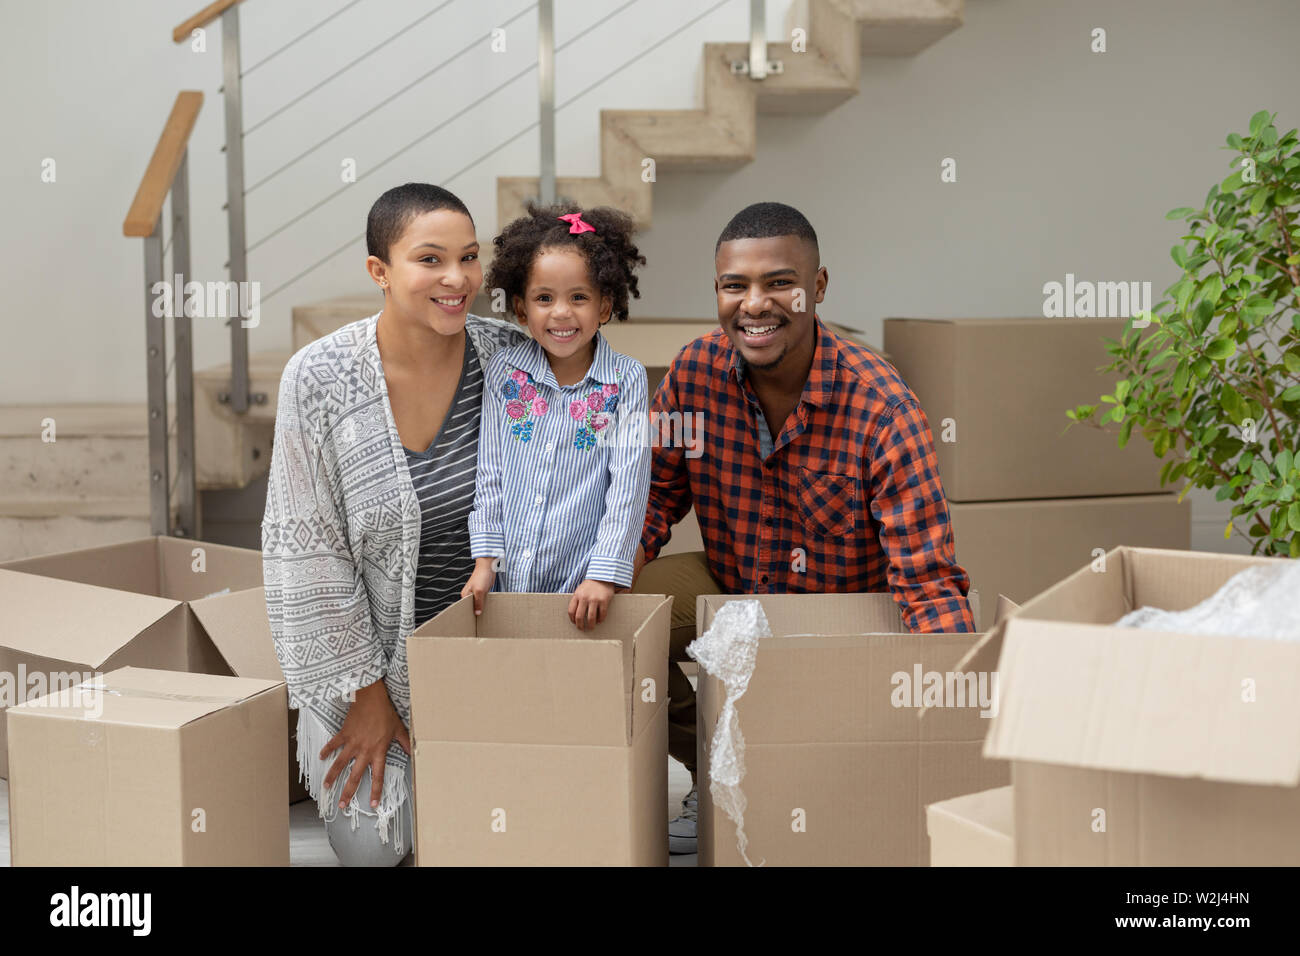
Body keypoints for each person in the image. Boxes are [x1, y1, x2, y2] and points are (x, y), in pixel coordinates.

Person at [629, 201, 976, 854]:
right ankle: (714, 764)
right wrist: (595, 581)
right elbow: (652, 505)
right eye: (736, 286)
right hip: (733, 584)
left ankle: (798, 774)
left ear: (817, 288)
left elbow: (928, 580)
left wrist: (962, 720)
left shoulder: (882, 407)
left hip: (838, 622)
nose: (755, 304)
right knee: (617, 608)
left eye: (779, 283)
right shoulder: (695, 371)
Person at [262, 183, 526, 866]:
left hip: (488, 657)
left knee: (498, 833)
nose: (456, 279)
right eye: (430, 259)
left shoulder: (509, 360)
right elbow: (307, 551)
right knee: (376, 850)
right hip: (368, 668)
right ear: (379, 271)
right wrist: (368, 698)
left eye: (469, 258)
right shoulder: (317, 378)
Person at [461, 203, 651, 625]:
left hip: (582, 587)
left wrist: (604, 575)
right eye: (544, 298)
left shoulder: (627, 380)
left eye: (579, 297)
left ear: (604, 307)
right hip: (508, 584)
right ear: (522, 309)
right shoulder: (503, 372)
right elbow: (489, 473)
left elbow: (629, 485)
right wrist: (485, 561)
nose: (561, 312)